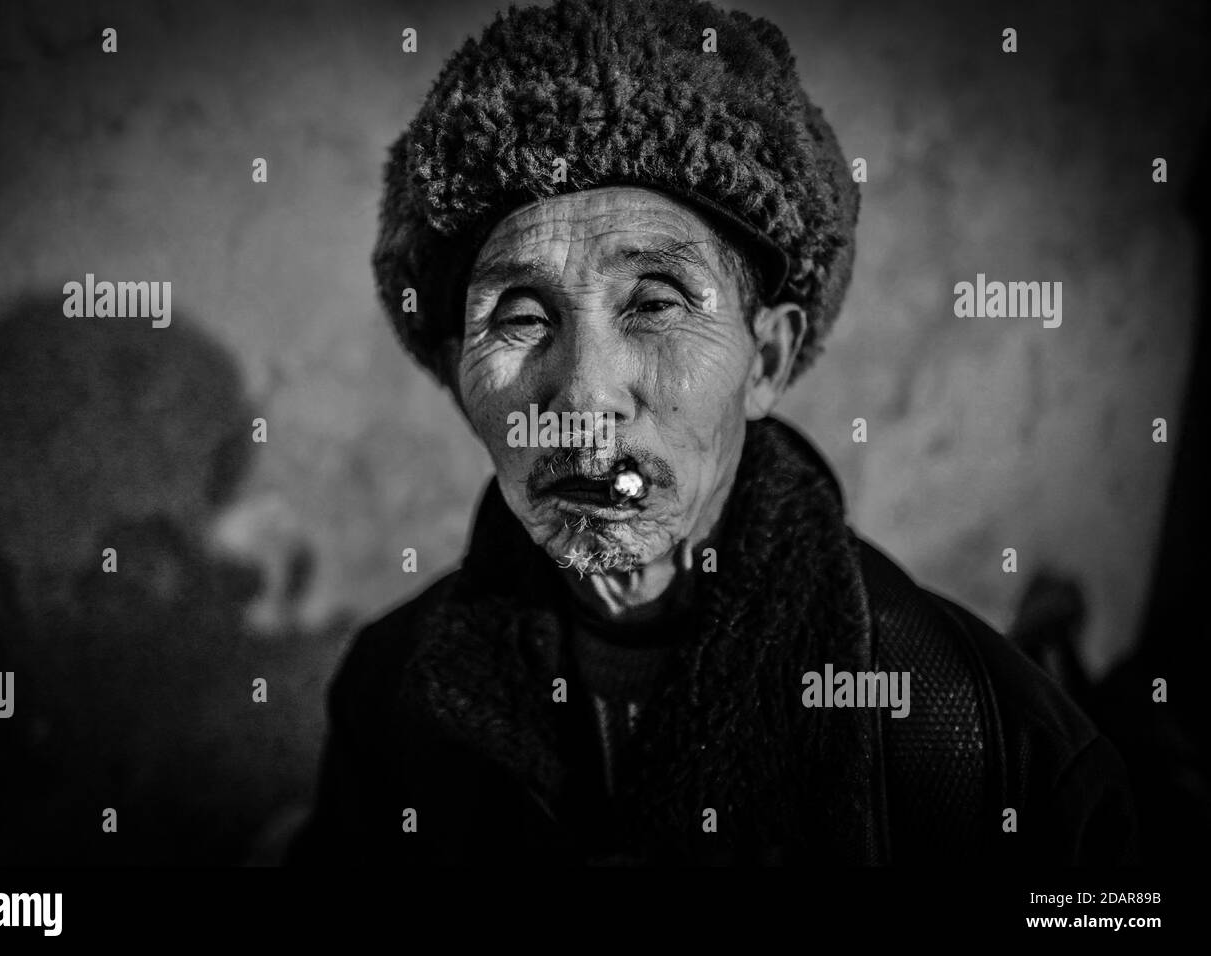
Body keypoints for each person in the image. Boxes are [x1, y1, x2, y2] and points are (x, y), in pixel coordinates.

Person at [290, 0, 1138, 865]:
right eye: (520, 315)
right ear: (457, 376)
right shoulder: (391, 693)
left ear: (765, 361)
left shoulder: (975, 735)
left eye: (655, 304)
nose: (584, 397)